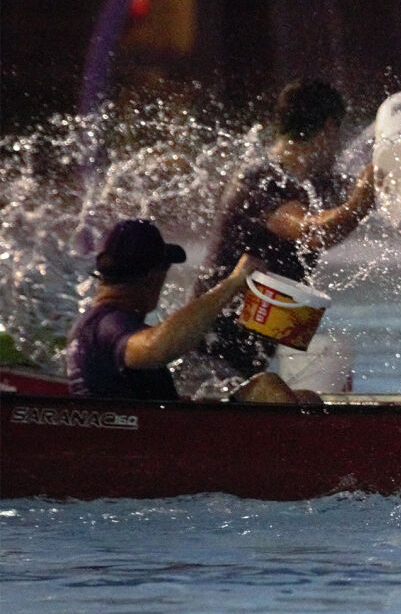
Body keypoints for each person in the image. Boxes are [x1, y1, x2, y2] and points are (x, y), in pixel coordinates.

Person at [176, 79, 377, 399]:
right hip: (206, 366)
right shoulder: (259, 180)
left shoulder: (315, 182)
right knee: (299, 400)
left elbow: (358, 198)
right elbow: (316, 233)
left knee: (314, 390)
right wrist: (360, 201)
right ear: (329, 127)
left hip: (250, 365)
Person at [66, 219, 297, 402]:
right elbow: (157, 348)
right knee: (268, 389)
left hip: (156, 435)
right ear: (153, 276)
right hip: (156, 446)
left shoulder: (92, 323)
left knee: (305, 398)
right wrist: (233, 283)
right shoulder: (110, 324)